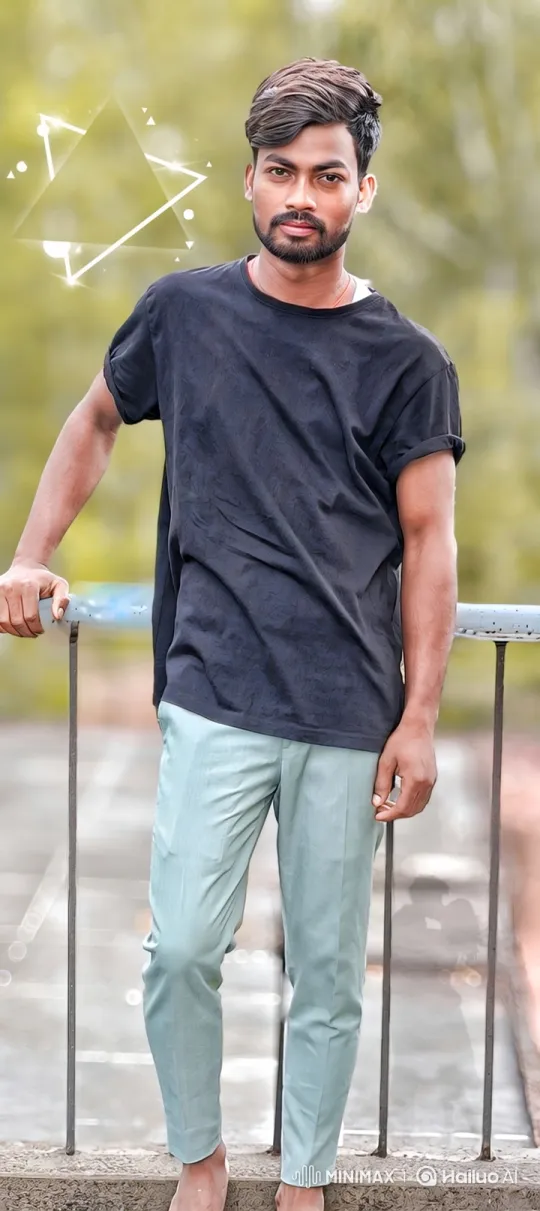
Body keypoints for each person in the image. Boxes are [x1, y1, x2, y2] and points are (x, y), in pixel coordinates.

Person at [0, 57, 465, 1211]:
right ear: (249, 180)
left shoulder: (407, 363)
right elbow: (97, 418)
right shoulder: (184, 314)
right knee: (182, 951)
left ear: (364, 189)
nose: (300, 193)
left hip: (350, 707)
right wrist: (31, 550)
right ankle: (201, 1165)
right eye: (279, 171)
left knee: (323, 972)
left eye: (326, 173)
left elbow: (433, 546)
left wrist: (418, 718)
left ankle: (302, 1179)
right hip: (212, 687)